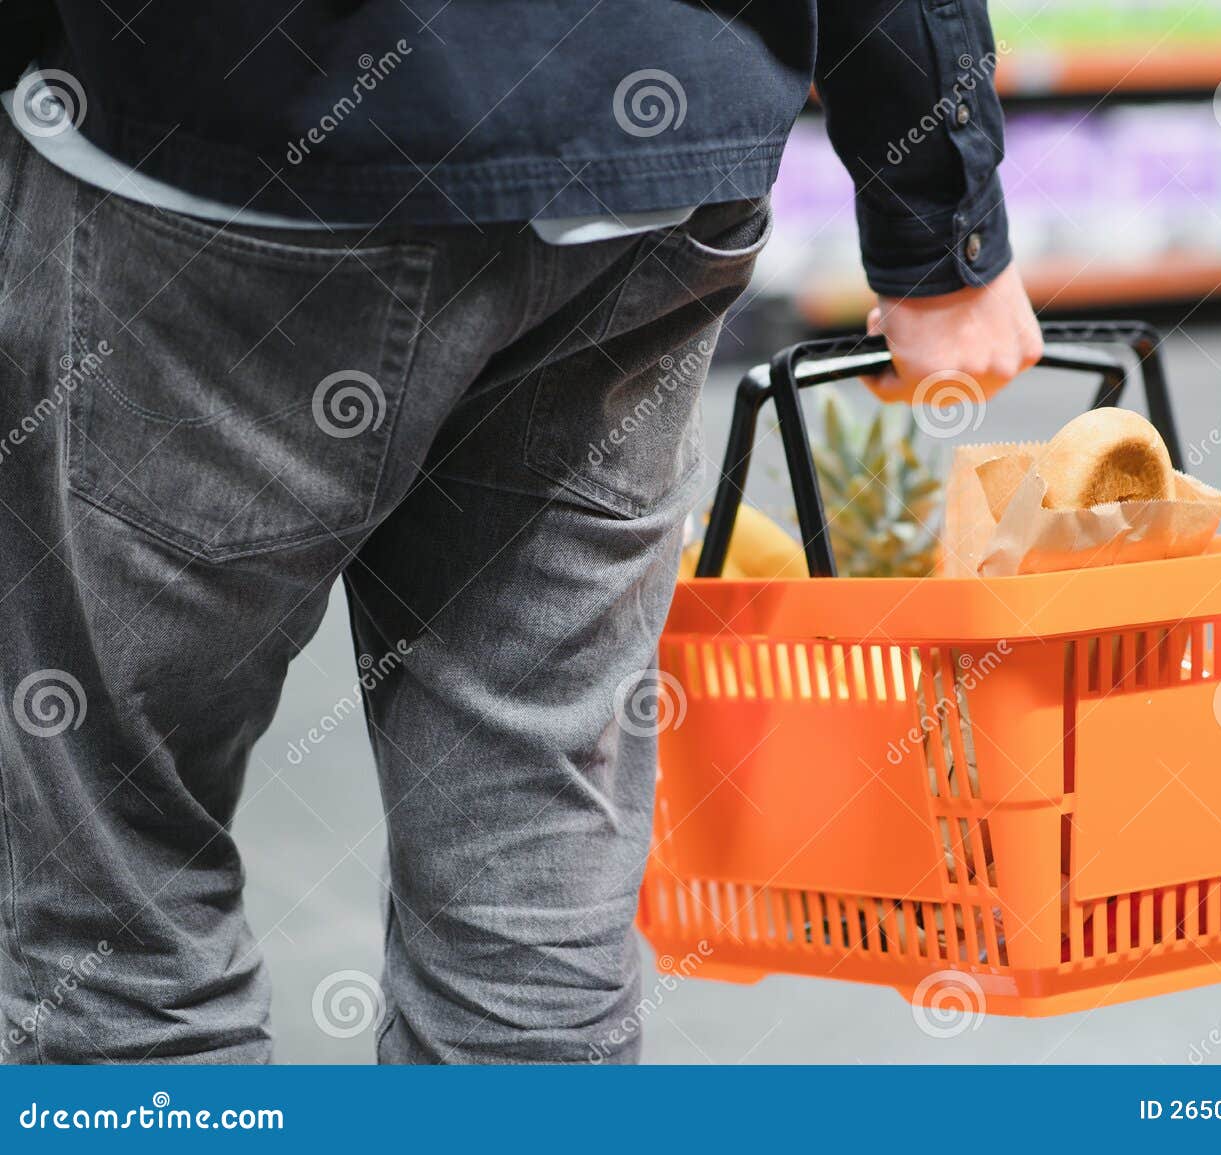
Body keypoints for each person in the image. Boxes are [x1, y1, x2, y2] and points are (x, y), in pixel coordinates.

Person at [0, 2, 1041, 1064]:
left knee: (120, 888)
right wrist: (941, 224)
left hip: (234, 146)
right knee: (529, 845)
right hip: (645, 157)